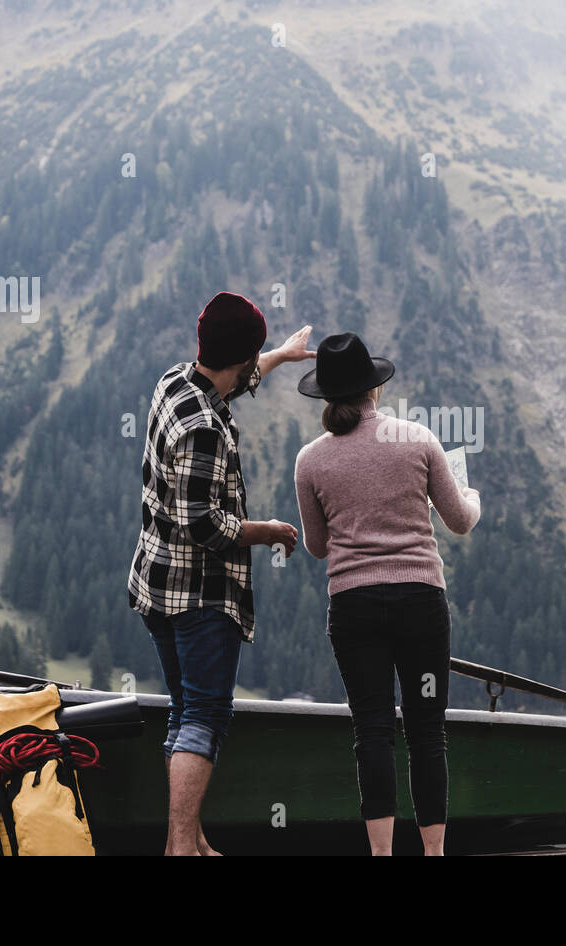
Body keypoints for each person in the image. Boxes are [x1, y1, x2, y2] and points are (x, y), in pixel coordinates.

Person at [128, 291, 315, 856]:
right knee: (205, 716)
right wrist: (269, 531)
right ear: (236, 358)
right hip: (199, 595)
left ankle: (188, 839)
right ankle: (181, 848)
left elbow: (232, 379)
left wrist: (279, 356)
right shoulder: (205, 426)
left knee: (185, 713)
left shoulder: (176, 382)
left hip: (156, 584)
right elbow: (203, 526)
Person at [293, 332, 481, 855]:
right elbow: (460, 522)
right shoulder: (418, 440)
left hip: (353, 607)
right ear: (374, 390)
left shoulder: (310, 460)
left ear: (328, 398)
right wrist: (473, 497)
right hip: (419, 602)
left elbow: (316, 546)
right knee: (427, 732)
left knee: (371, 730)